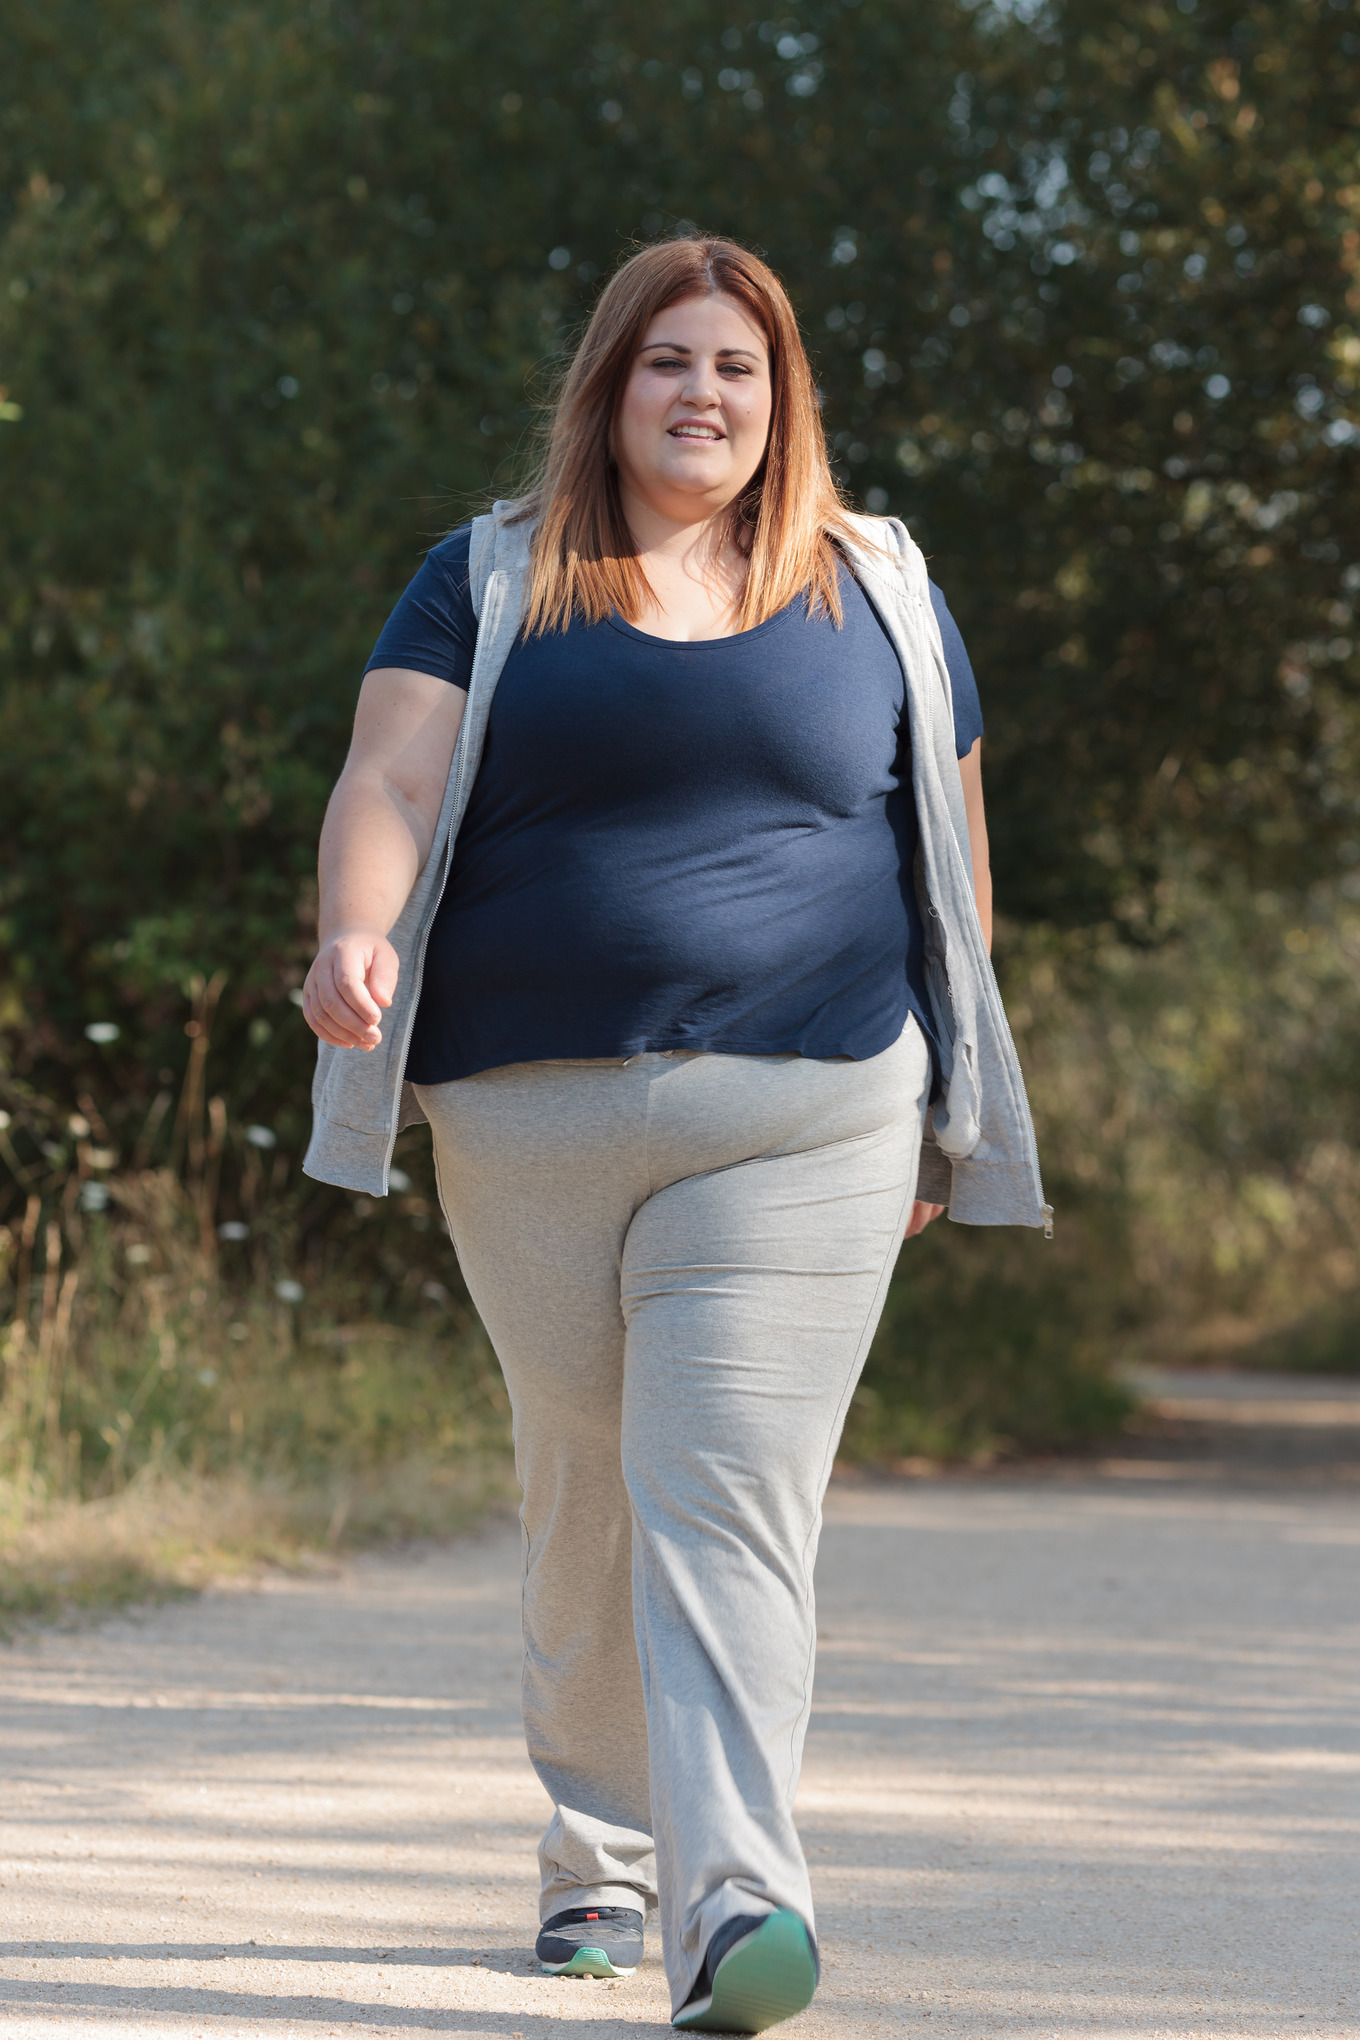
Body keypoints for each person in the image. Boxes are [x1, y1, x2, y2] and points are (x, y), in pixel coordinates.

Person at [302, 235, 1046, 2033]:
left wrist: (947, 1100)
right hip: (529, 1112)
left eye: (736, 365)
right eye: (666, 361)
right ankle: (597, 1853)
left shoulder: (877, 587)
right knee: (587, 1485)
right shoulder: (493, 575)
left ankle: (737, 1906)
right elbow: (390, 774)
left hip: (812, 1113)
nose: (702, 393)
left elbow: (954, 861)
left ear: (783, 400)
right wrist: (353, 927)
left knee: (721, 1490)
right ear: (609, 388)